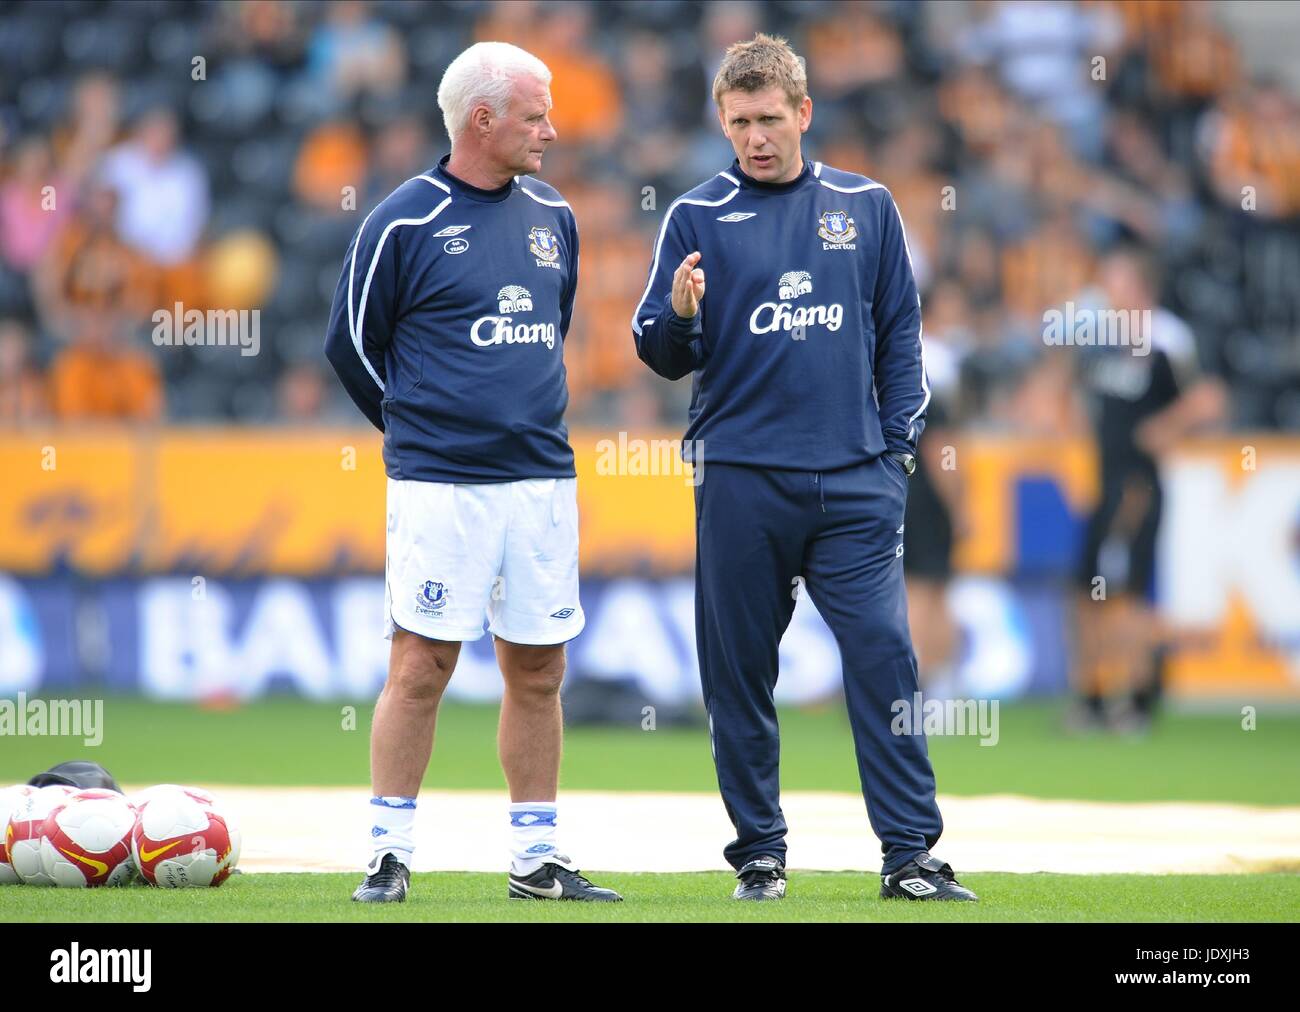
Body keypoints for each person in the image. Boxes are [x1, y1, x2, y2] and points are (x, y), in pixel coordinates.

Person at [632, 33, 976, 902]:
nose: (755, 136)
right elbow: (659, 352)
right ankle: (760, 854)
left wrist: (894, 452)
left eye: (770, 118)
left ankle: (909, 857)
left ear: (804, 114)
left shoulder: (867, 208)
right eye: (739, 120)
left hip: (856, 480)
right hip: (742, 478)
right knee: (739, 673)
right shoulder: (695, 217)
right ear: (722, 120)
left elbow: (903, 335)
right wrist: (677, 316)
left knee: (883, 657)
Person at [324, 41, 619, 904]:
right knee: (421, 665)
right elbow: (349, 345)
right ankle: (387, 852)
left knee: (540, 669)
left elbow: (550, 332)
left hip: (541, 481)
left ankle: (535, 859)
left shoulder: (554, 215)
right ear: (481, 121)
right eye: (536, 116)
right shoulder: (402, 220)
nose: (552, 131)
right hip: (440, 486)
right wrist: (420, 432)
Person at [1070, 245, 1225, 733]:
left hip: (1136, 484)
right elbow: (1077, 394)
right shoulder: (1100, 337)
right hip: (1102, 480)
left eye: (1114, 282)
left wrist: (1164, 428)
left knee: (1127, 591)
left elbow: (1209, 399)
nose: (1106, 292)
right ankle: (1094, 694)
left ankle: (1134, 698)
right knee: (1086, 590)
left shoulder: (1167, 337)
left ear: (1138, 286)